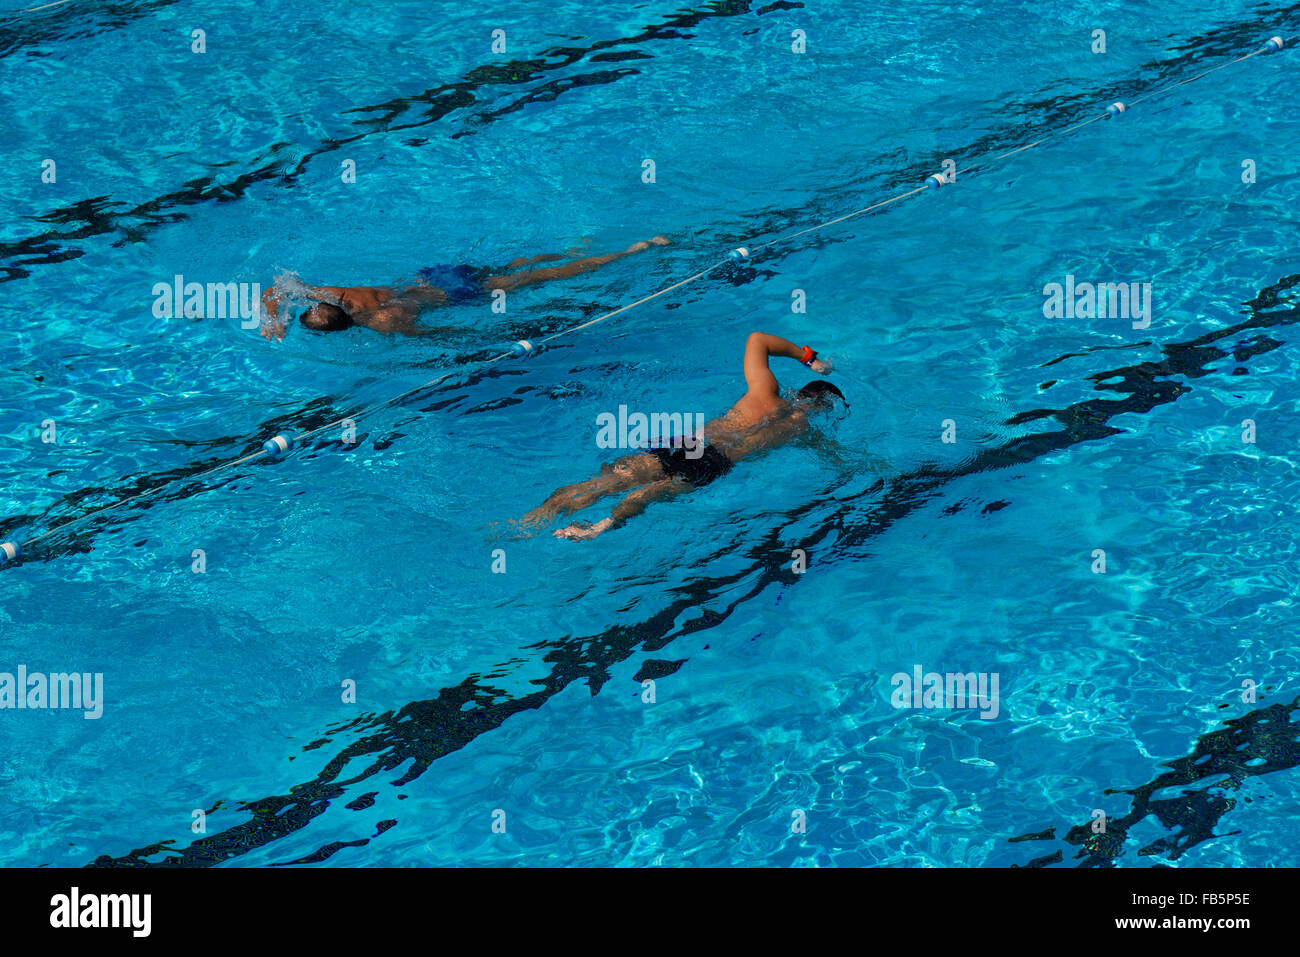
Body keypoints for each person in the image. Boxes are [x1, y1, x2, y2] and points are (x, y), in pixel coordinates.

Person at [523, 332, 845, 540]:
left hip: (689, 443)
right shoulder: (802, 429)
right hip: (716, 462)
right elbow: (834, 458)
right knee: (647, 495)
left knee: (612, 480)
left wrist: (810, 358)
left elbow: (756, 339)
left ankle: (538, 515)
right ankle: (602, 526)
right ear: (825, 405)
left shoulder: (765, 392)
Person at [259, 236, 670, 338]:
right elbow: (280, 286)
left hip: (453, 294)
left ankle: (628, 253)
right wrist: (272, 316)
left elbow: (444, 337)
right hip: (433, 275)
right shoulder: (343, 294)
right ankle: (574, 247)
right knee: (515, 266)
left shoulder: (382, 322)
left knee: (533, 280)